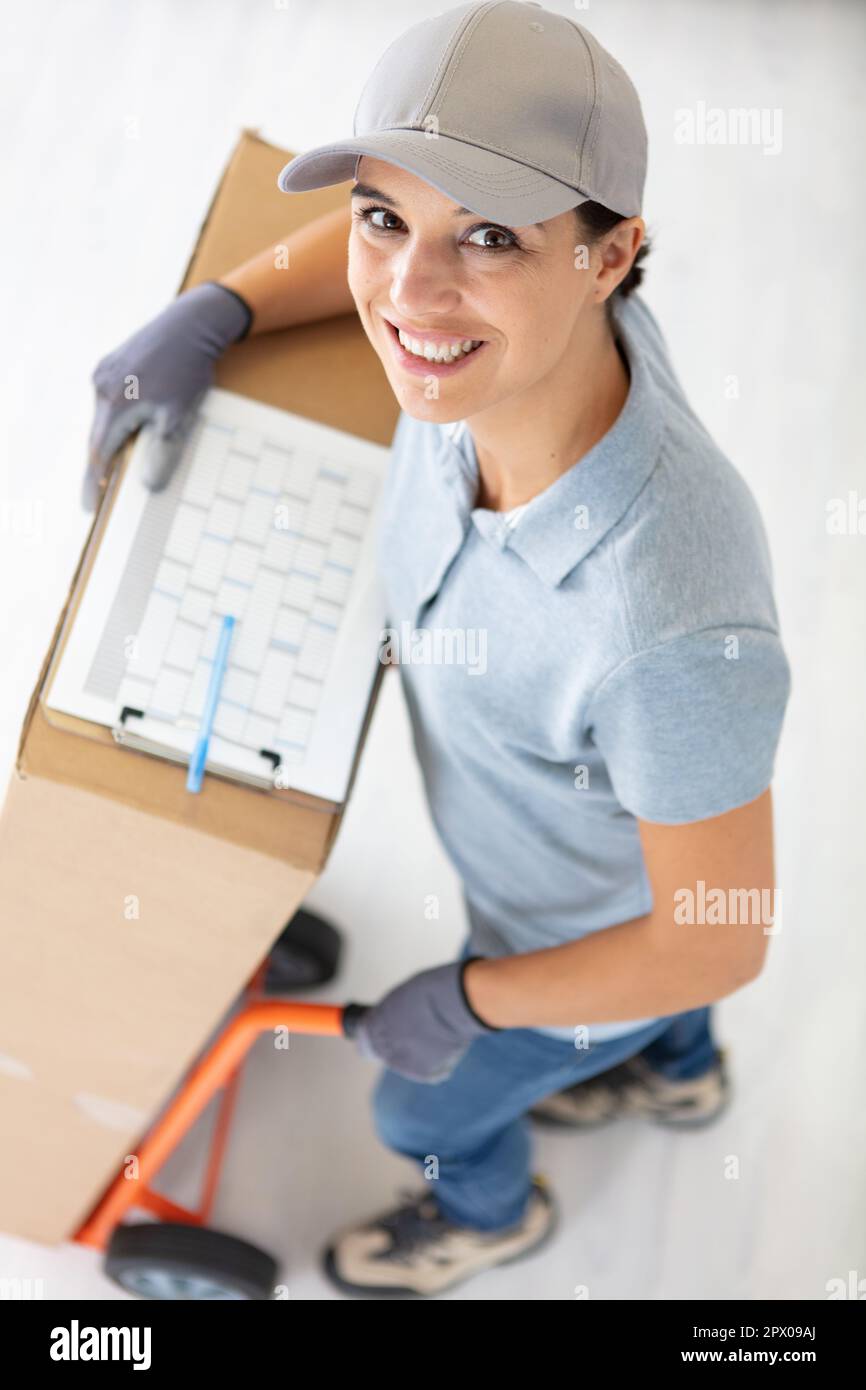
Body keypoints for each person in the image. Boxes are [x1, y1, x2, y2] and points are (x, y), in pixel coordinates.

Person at [85, 1, 792, 1299]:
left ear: (609, 255)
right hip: (564, 847)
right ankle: (677, 1076)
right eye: (382, 218)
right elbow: (394, 261)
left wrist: (473, 1002)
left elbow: (716, 931)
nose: (407, 296)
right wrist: (220, 309)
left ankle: (486, 1211)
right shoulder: (509, 358)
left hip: (587, 932)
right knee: (652, 1014)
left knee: (418, 1114)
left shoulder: (670, 628)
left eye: (488, 237)